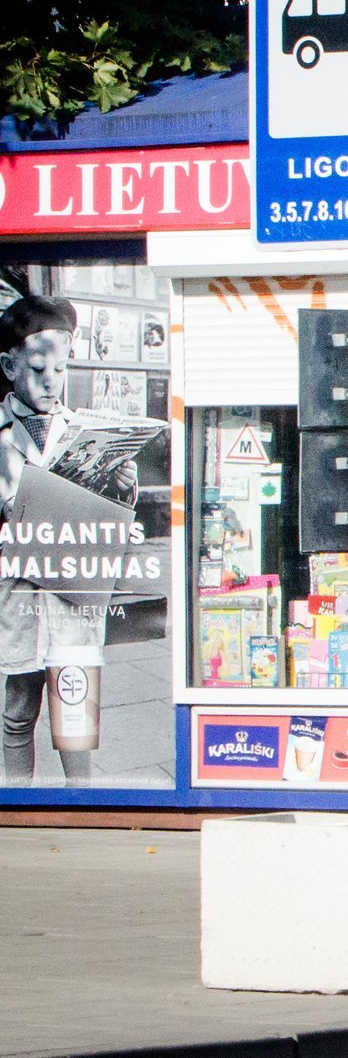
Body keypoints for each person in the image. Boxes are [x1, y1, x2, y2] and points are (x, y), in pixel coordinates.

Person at [0, 295, 131, 785]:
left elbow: (109, 516)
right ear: (9, 366)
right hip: (20, 597)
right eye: (37, 368)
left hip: (73, 596)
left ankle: (86, 802)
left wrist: (122, 485)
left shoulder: (84, 430)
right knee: (17, 712)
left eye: (60, 367)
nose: (51, 379)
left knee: (75, 716)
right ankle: (16, 805)